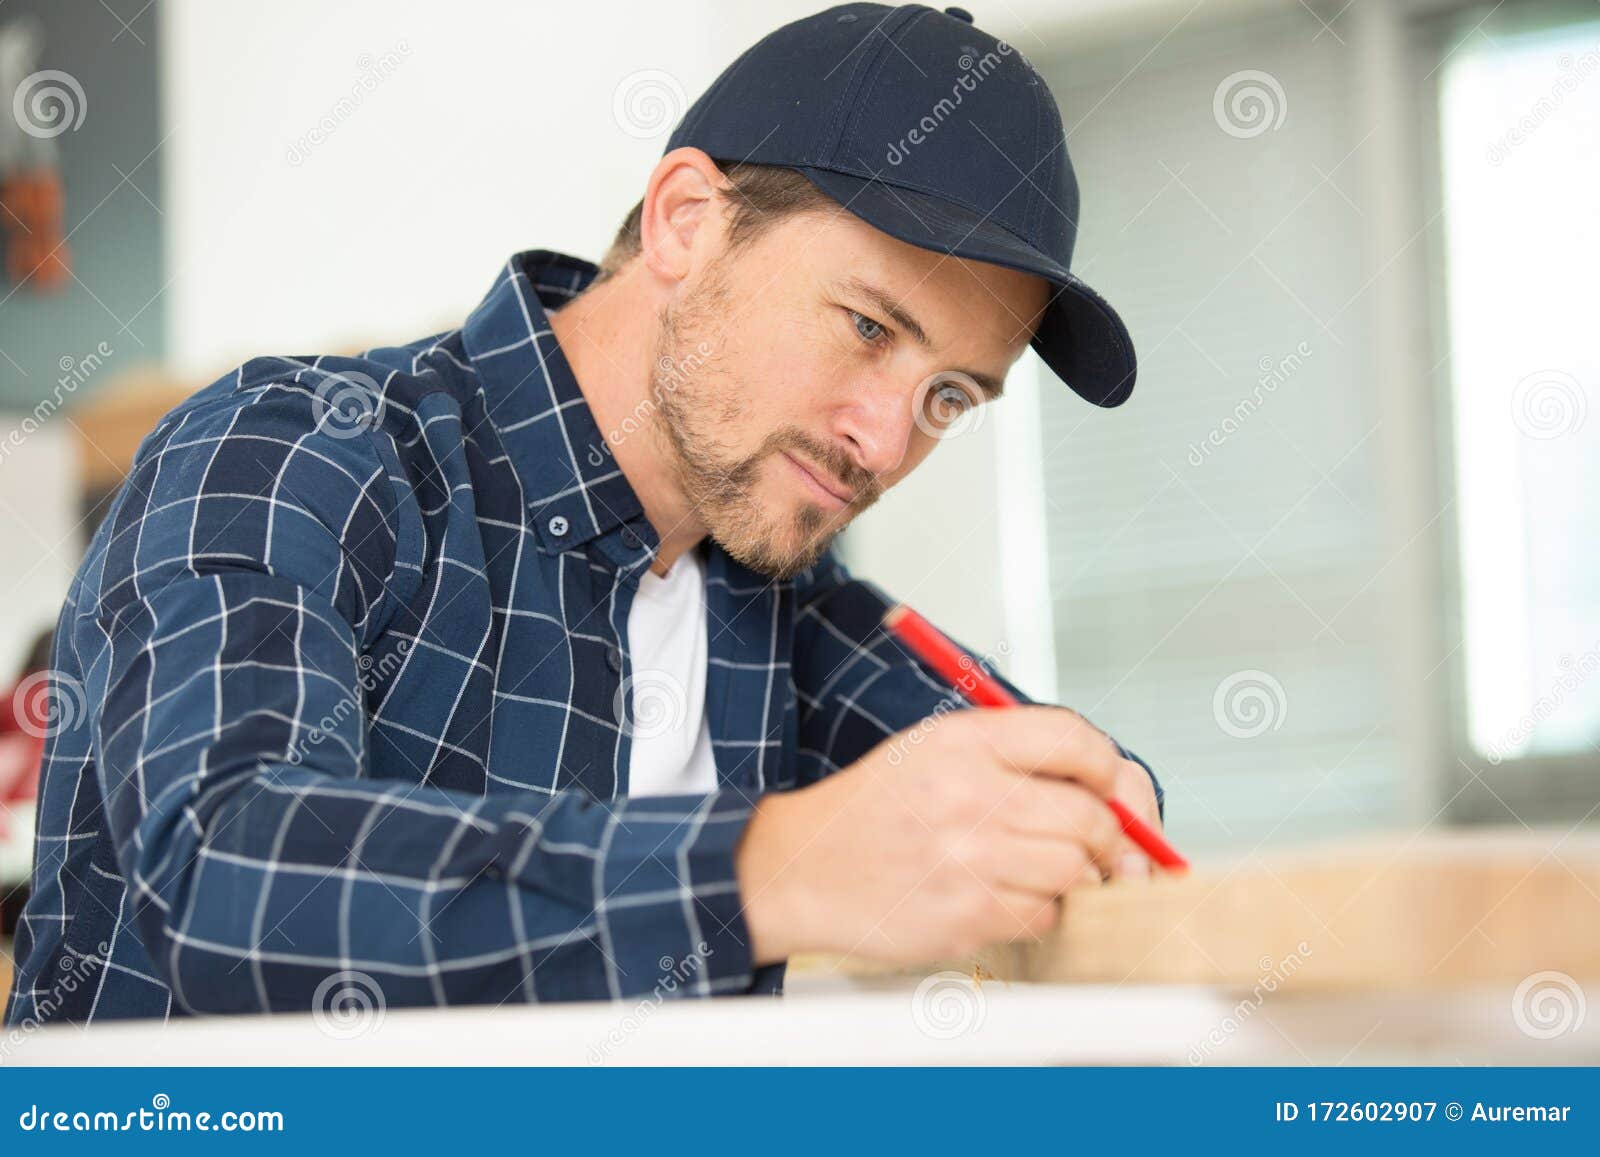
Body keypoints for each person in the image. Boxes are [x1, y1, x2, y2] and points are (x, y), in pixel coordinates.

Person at [6, 3, 1163, 1024]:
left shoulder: (770, 585)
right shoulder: (294, 448)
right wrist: (772, 870)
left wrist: (1089, 798)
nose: (884, 440)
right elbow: (227, 877)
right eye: (867, 327)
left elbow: (1045, 783)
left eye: (948, 396)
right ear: (685, 221)